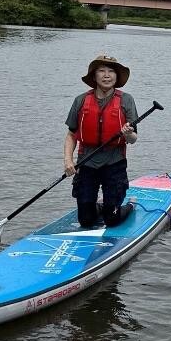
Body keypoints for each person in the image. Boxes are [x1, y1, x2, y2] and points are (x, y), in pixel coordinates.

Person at [64, 54, 139, 228]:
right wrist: (68, 161)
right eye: (102, 71)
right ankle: (99, 207)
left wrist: (128, 134)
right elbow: (71, 135)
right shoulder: (81, 100)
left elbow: (133, 139)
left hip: (114, 164)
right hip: (86, 164)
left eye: (111, 71)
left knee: (111, 221)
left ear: (117, 76)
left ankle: (129, 206)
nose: (107, 75)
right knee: (86, 221)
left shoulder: (126, 100)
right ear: (94, 76)